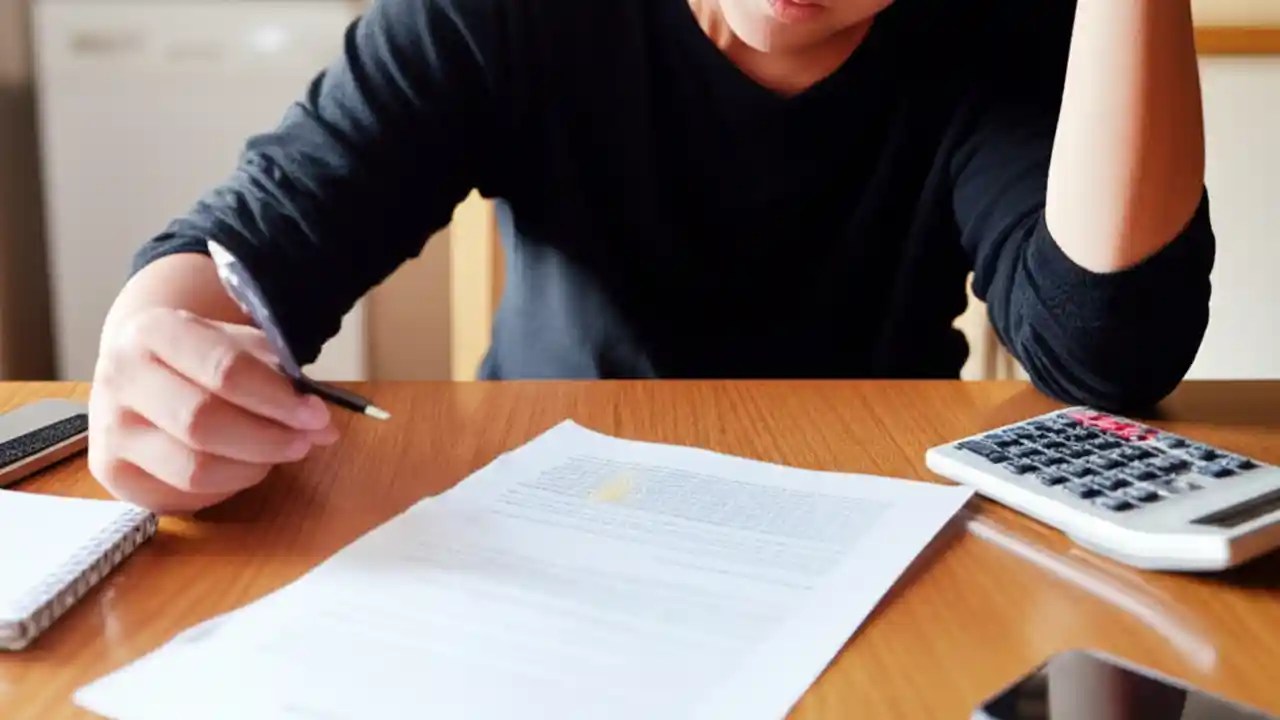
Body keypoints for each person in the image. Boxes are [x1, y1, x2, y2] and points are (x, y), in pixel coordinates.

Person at [86, 0, 1215, 513]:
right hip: (542, 512)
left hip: (876, 527)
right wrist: (156, 353)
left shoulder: (992, 31)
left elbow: (1106, 352)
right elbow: (254, 245)